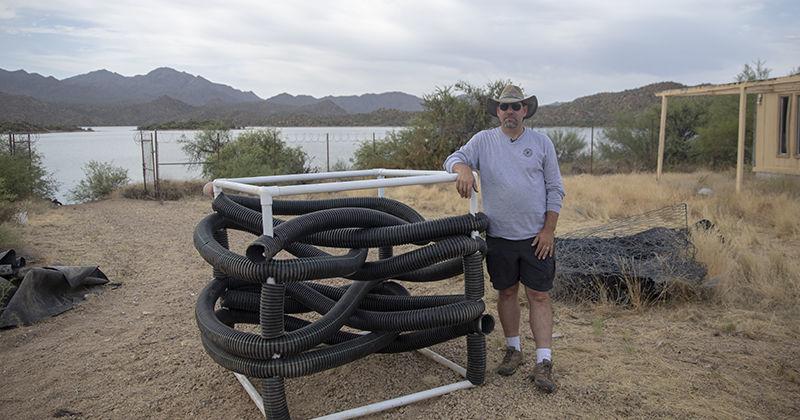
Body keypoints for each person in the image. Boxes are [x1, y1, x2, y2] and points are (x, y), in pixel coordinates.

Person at [443, 84, 565, 393]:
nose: (509, 112)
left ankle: (544, 360)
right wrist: (464, 169)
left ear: (525, 110)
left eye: (515, 107)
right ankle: (513, 350)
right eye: (503, 107)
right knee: (507, 293)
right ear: (497, 111)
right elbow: (453, 158)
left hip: (537, 237)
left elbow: (555, 188)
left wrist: (549, 230)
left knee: (539, 296)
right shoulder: (483, 141)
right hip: (499, 237)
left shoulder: (541, 143)